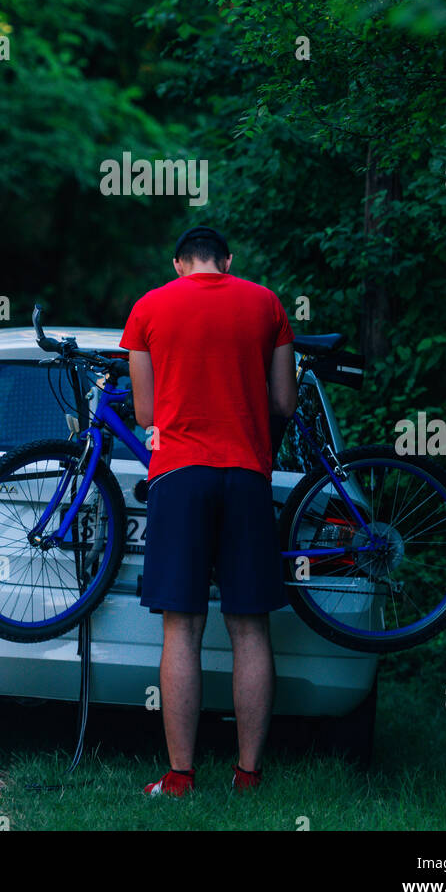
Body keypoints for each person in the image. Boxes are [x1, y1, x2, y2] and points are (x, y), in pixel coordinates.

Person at [119, 225, 298, 797]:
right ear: (227, 260)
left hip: (177, 474)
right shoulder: (266, 303)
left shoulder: (148, 308)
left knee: (183, 626)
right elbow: (284, 402)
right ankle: (248, 775)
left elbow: (146, 414)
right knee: (250, 628)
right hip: (246, 475)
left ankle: (179, 776)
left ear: (178, 263)